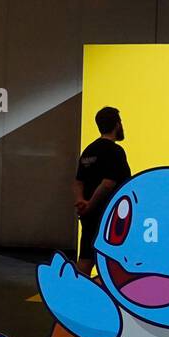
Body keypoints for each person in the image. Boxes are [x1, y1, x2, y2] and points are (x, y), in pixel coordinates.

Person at [74, 106, 131, 276]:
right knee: (112, 259)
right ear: (117, 125)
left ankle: (75, 294)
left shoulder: (89, 151)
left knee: (86, 257)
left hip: (89, 217)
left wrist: (81, 203)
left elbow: (78, 181)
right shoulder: (116, 152)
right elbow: (108, 183)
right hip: (110, 216)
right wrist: (90, 205)